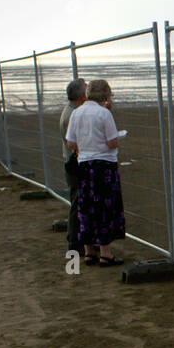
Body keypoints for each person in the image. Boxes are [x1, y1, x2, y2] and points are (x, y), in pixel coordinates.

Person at [64, 79, 125, 266]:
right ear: (106, 96)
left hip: (84, 165)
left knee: (86, 207)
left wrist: (85, 146)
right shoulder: (104, 114)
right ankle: (106, 253)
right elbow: (112, 141)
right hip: (104, 165)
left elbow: (71, 142)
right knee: (106, 207)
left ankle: (89, 251)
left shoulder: (77, 113)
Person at [59, 78, 88, 258]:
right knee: (78, 203)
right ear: (81, 95)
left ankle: (77, 240)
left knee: (77, 201)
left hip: (73, 162)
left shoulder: (71, 111)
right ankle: (75, 243)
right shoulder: (72, 114)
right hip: (75, 164)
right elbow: (75, 142)